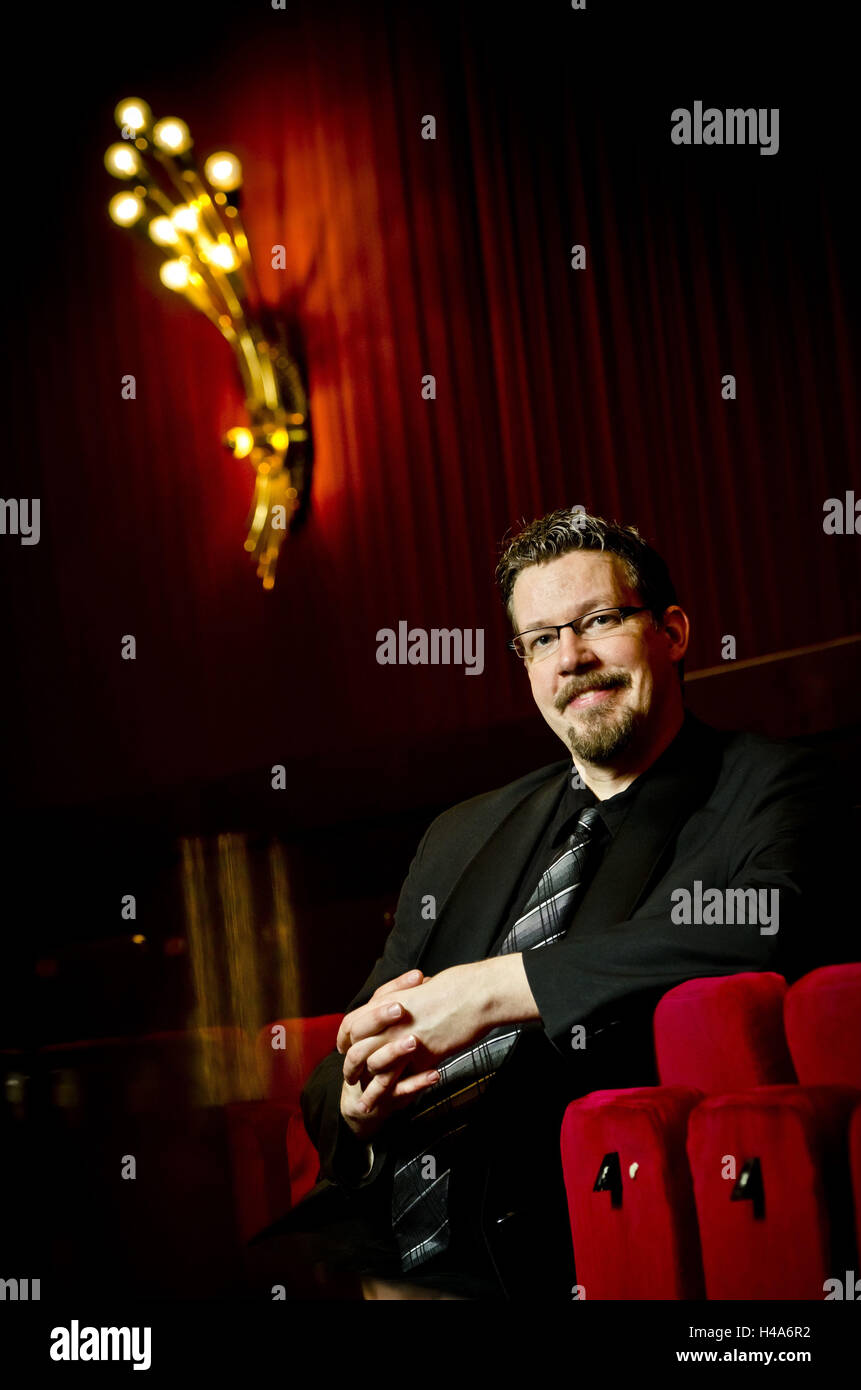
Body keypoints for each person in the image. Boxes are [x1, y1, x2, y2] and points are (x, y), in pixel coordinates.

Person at [248, 509, 846, 1300]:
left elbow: (761, 927)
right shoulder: (460, 834)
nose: (572, 658)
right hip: (361, 1247)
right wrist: (356, 1106)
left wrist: (493, 990)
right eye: (540, 639)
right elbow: (343, 1062)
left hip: (564, 1246)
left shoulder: (771, 785)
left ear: (671, 632)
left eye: (598, 620)